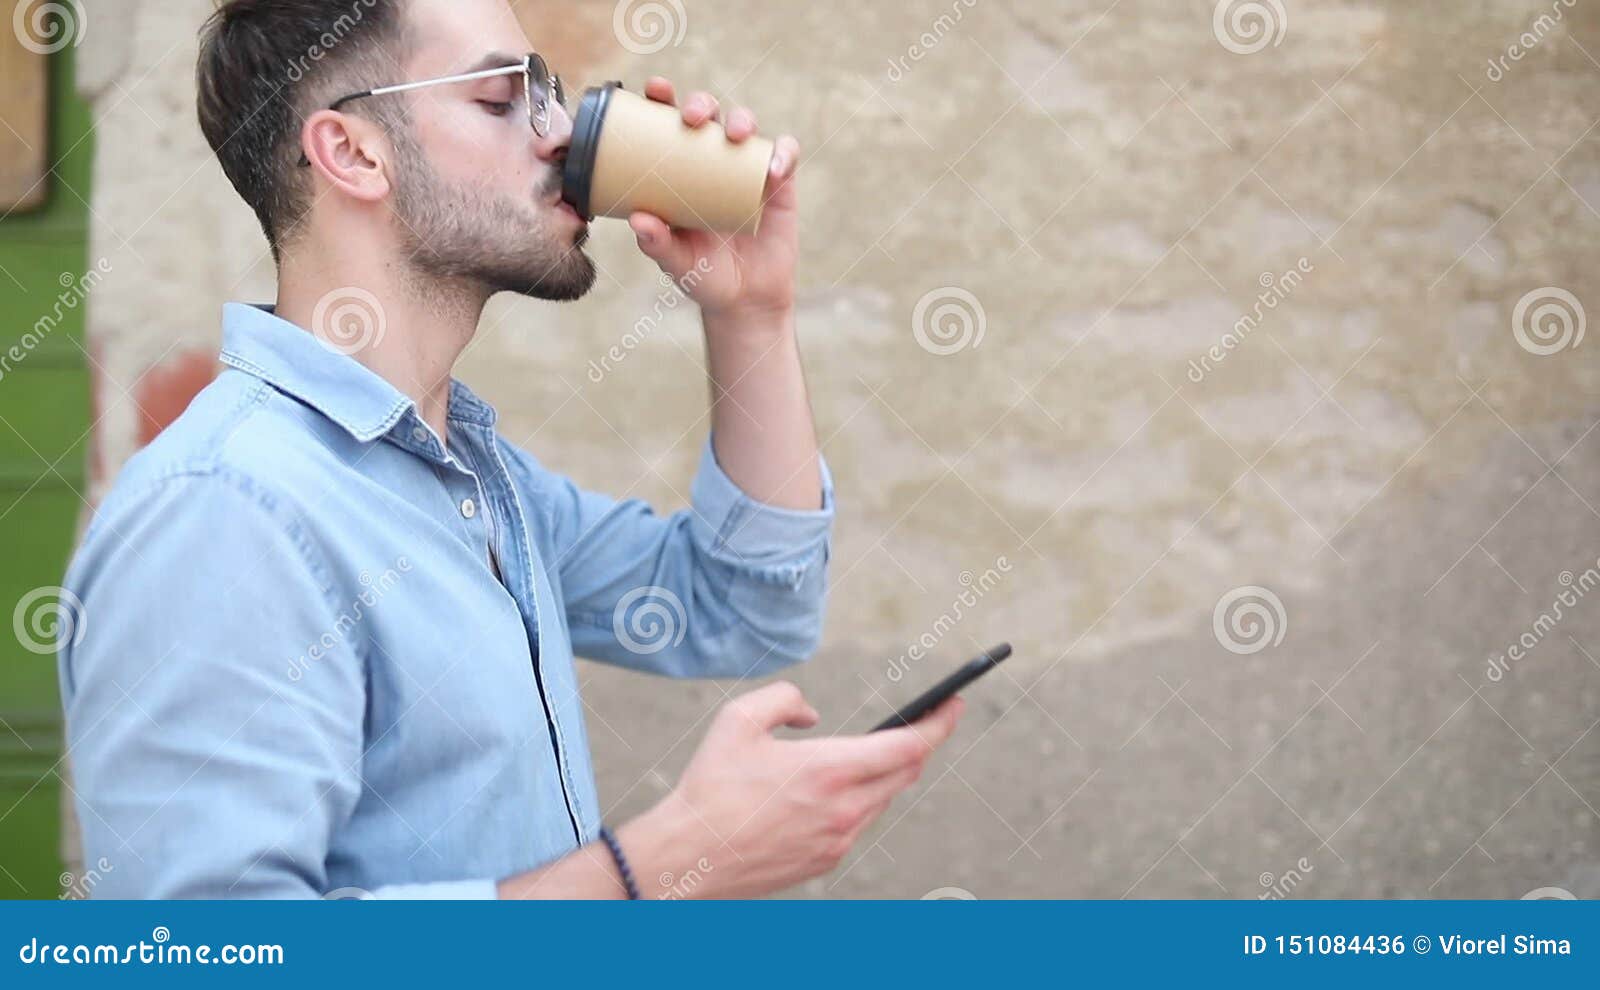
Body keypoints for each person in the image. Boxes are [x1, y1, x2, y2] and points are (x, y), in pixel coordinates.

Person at [55, 0, 962, 899]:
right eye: (501, 100)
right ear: (353, 153)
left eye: (550, 93)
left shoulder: (470, 476)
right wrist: (665, 863)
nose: (562, 133)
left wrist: (750, 313)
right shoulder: (224, 514)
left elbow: (741, 607)